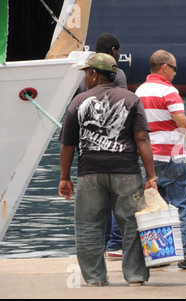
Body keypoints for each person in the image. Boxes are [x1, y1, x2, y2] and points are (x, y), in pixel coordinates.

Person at [59, 53, 158, 285]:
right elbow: (142, 138)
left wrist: (65, 177)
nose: (85, 77)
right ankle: (134, 277)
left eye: (86, 73)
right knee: (132, 224)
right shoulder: (131, 99)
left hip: (89, 173)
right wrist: (151, 175)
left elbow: (68, 144)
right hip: (126, 172)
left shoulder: (78, 101)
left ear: (94, 74)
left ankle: (95, 279)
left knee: (89, 225)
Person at [135, 49, 186, 269]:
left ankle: (158, 256)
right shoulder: (168, 91)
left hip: (149, 158)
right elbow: (181, 122)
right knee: (185, 204)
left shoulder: (139, 91)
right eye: (174, 69)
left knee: (158, 207)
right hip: (171, 158)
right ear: (165, 67)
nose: (175, 73)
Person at [76, 33, 127, 258]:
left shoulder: (83, 78)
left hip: (88, 148)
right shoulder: (119, 74)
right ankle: (116, 244)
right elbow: (122, 107)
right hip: (113, 147)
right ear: (114, 51)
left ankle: (104, 244)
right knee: (119, 198)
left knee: (99, 202)